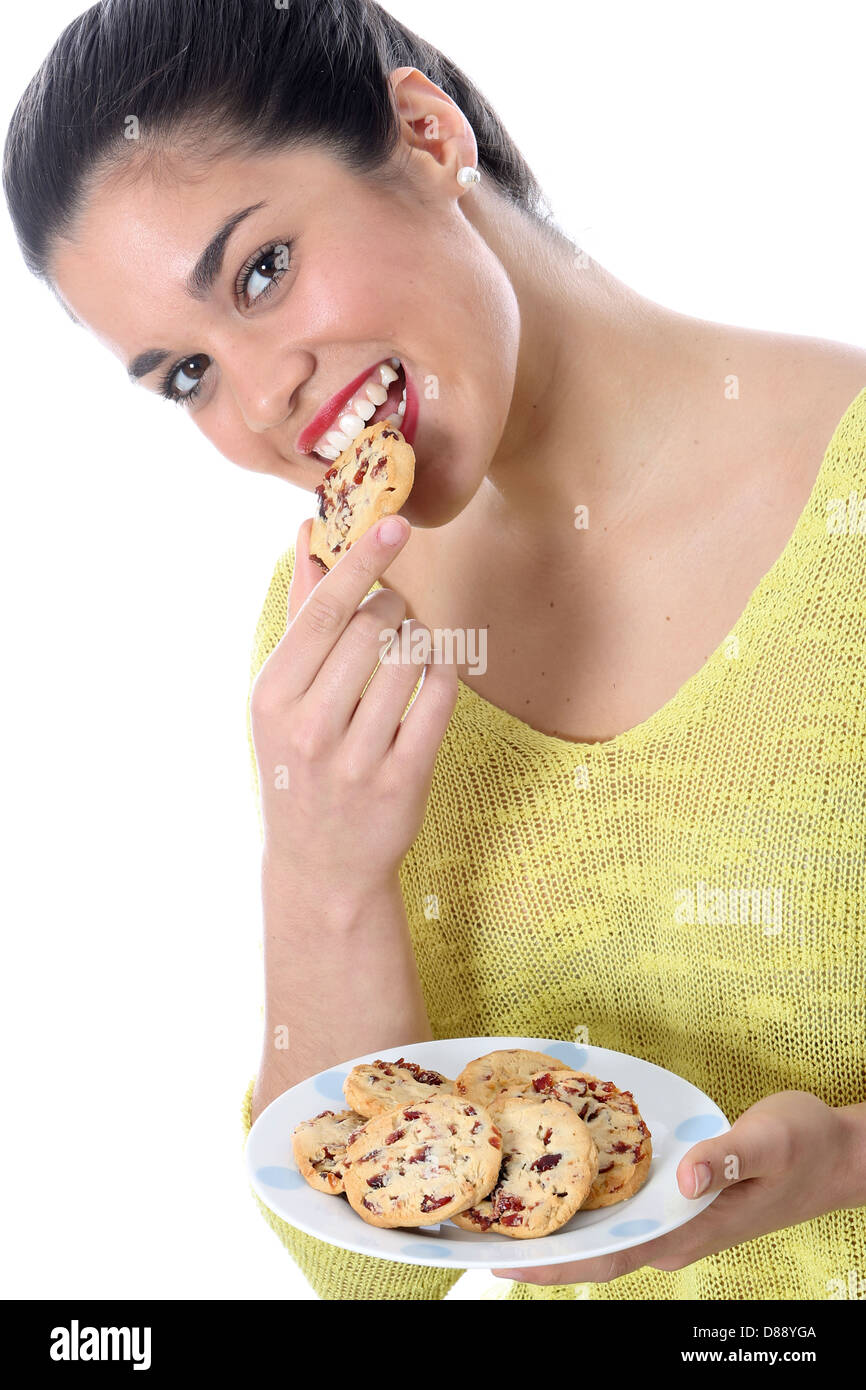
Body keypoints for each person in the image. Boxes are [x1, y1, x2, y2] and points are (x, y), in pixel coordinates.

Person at [5, 0, 864, 1302]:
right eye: (184, 376)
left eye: (259, 271)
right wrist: (321, 875)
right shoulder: (334, 640)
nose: (258, 400)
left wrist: (846, 1162)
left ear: (422, 133)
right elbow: (361, 1272)